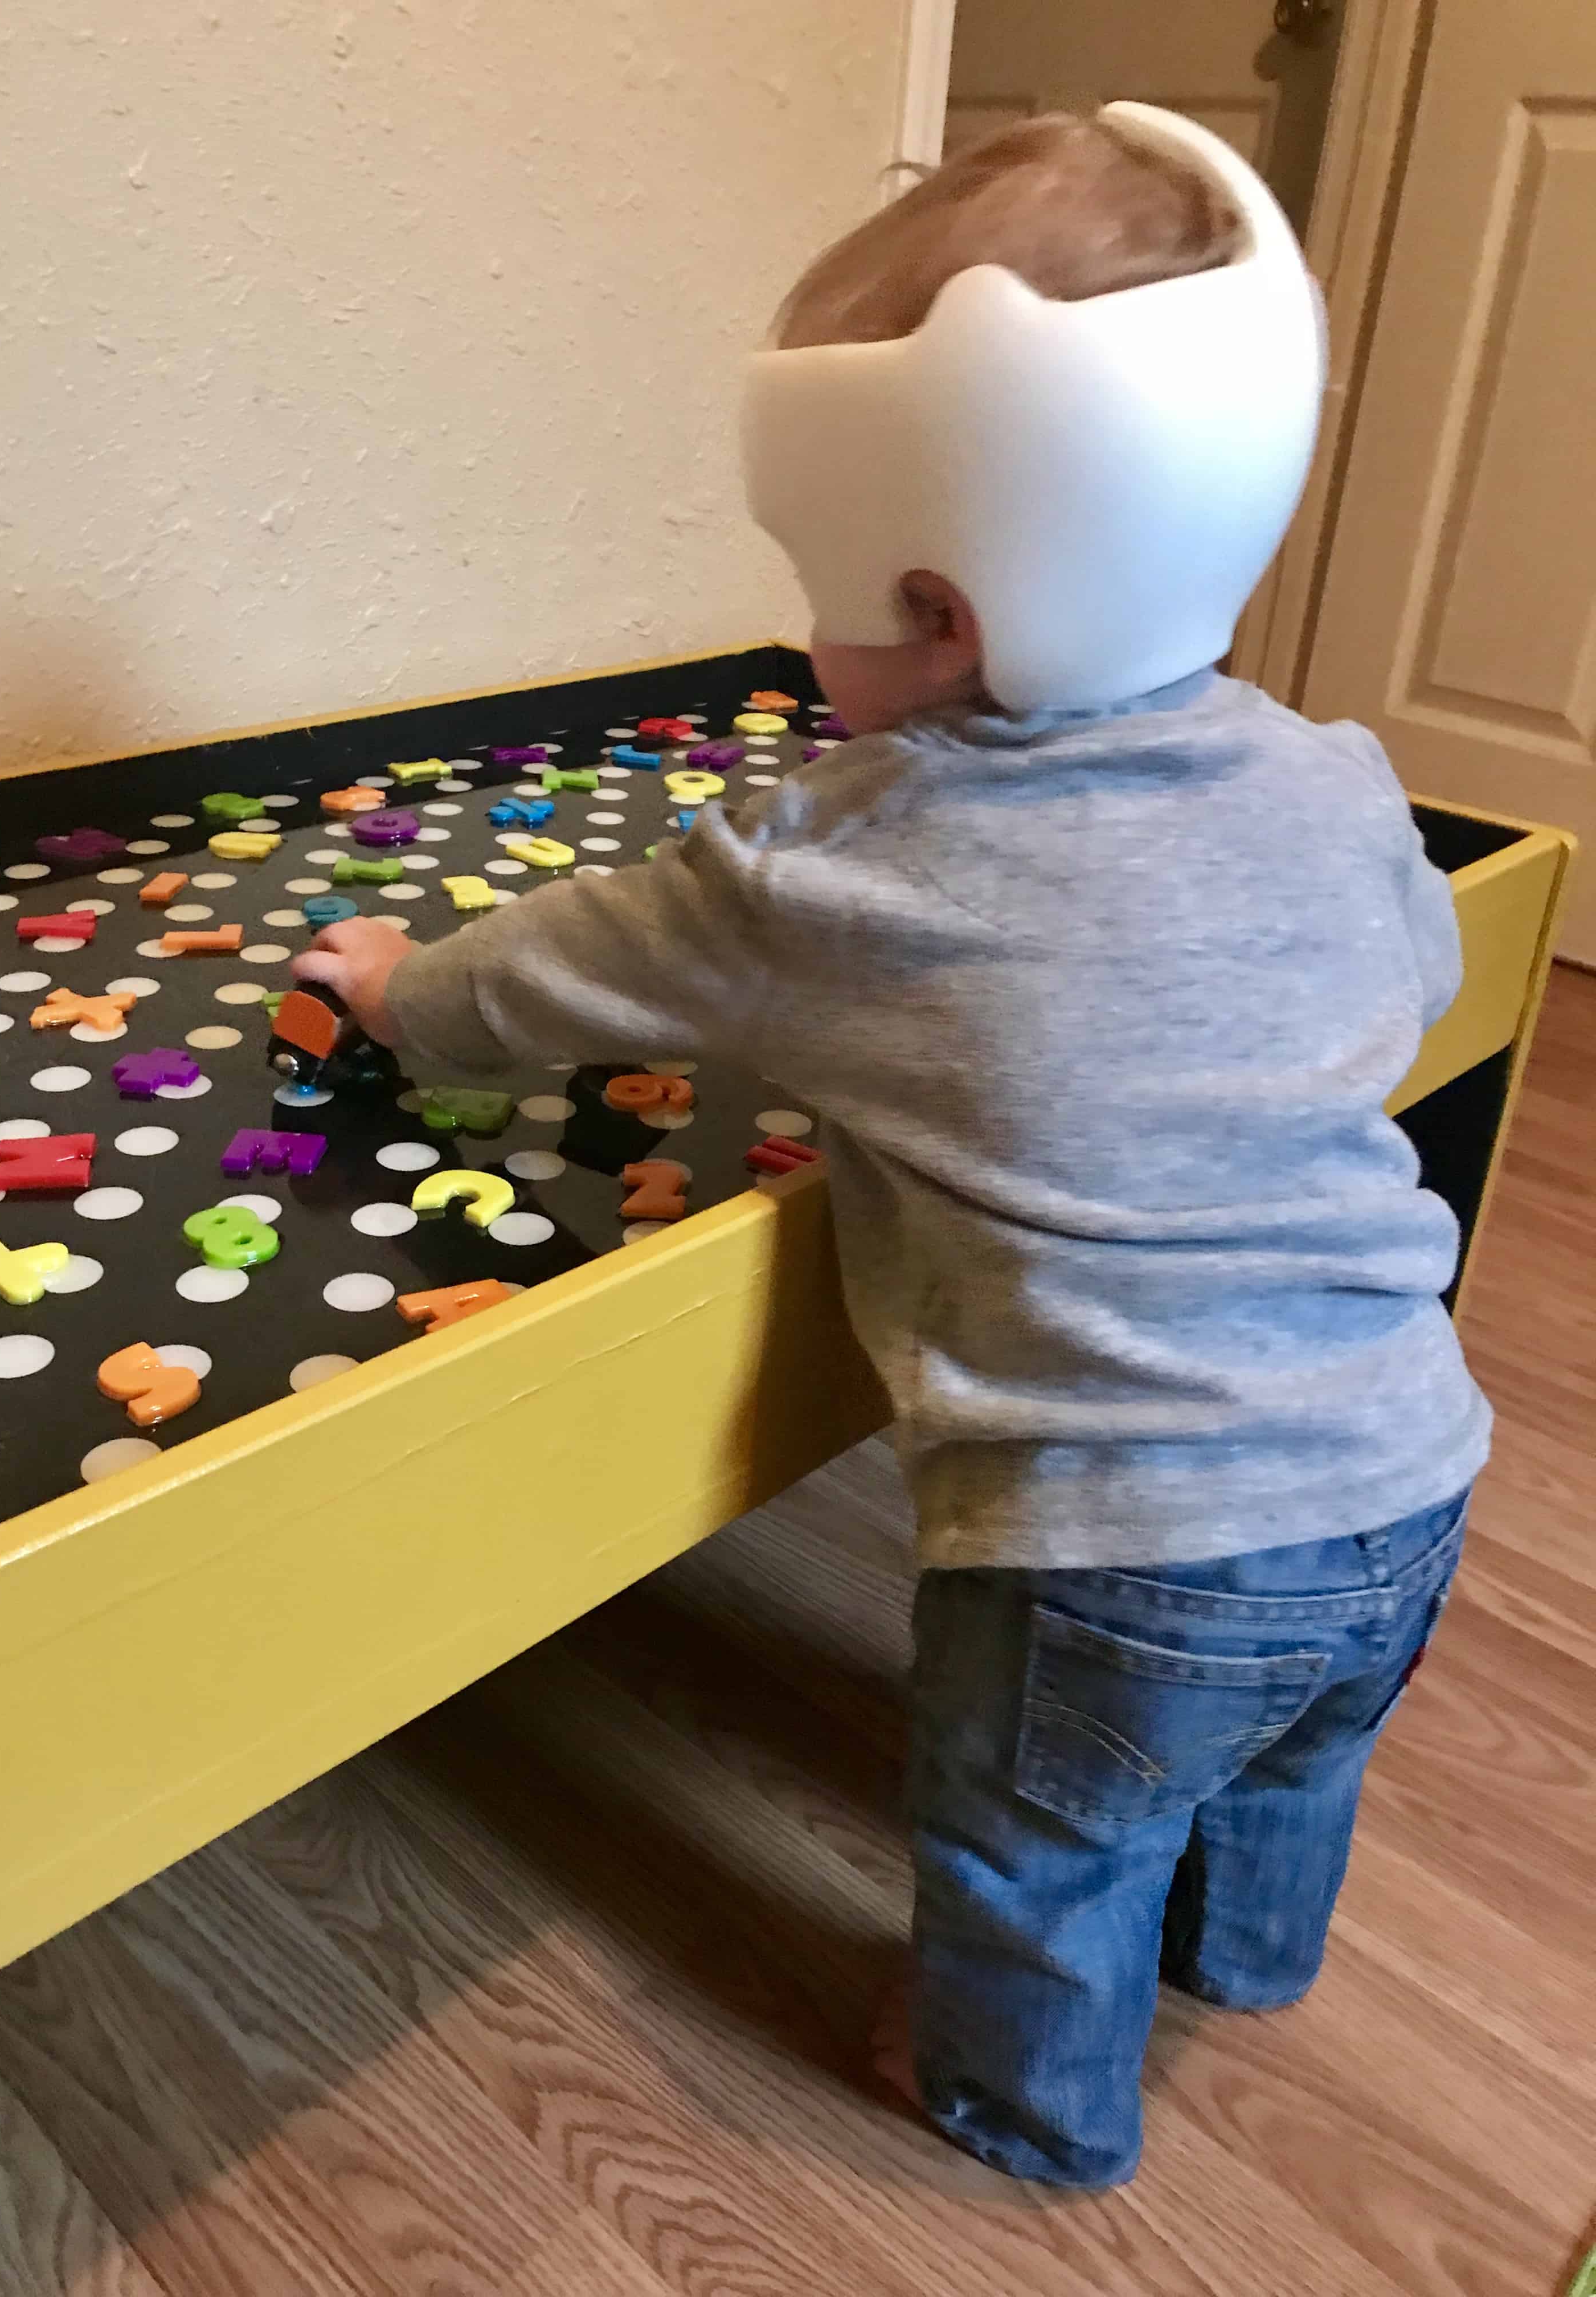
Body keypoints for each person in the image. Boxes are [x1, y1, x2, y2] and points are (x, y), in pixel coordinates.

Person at [293, 107, 1489, 2187]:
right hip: (1409, 1464)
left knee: (1035, 1841)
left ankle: (1016, 2101)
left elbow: (562, 977)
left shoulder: (836, 858)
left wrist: (401, 988)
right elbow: (1391, 995)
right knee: (1290, 1769)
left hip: (1114, 1544)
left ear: (931, 606)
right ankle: (1259, 1963)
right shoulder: (1335, 772)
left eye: (809, 592)